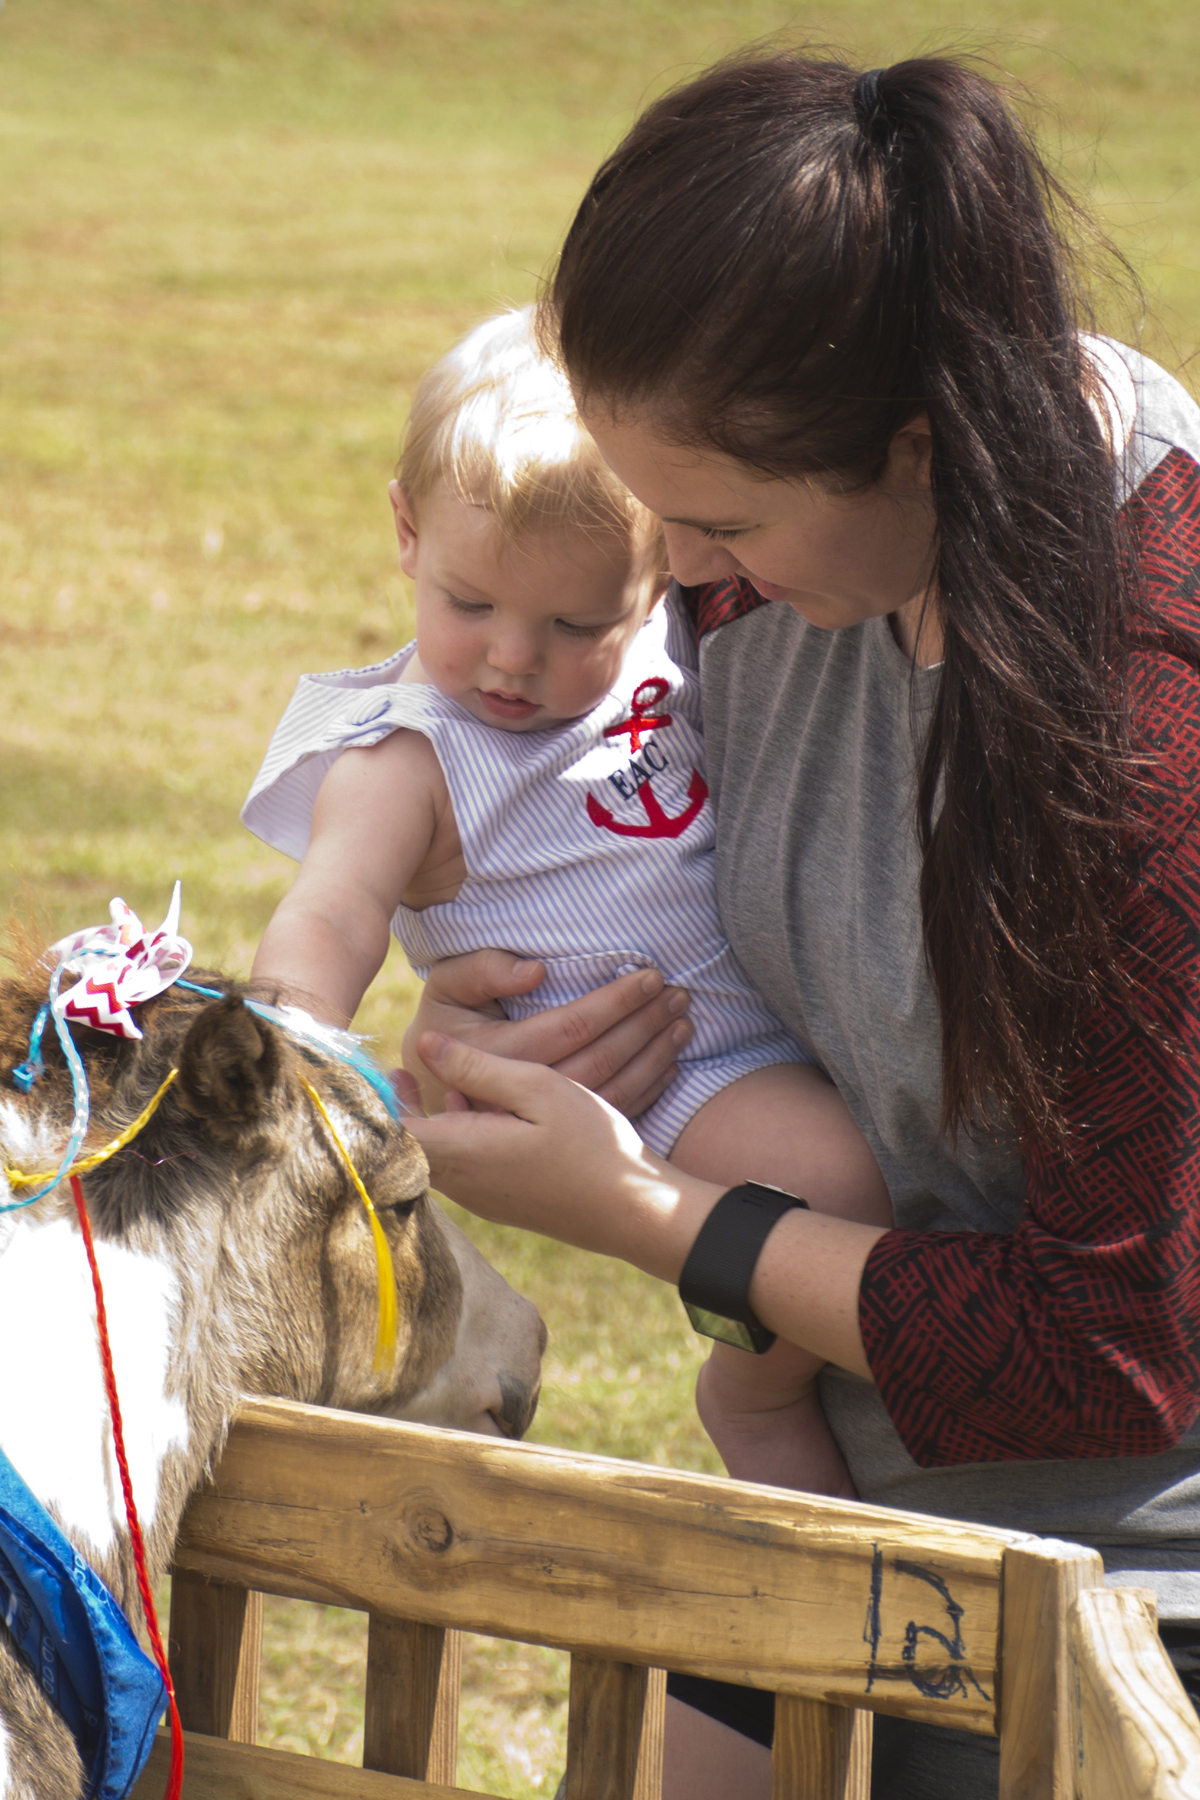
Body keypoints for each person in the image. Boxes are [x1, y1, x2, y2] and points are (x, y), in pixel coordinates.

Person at [391, 51, 1200, 1800]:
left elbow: (1108, 1360)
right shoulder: (773, 563)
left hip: (1130, 1583)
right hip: (841, 1500)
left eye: (716, 518)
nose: (671, 577)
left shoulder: (1151, 728)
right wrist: (515, 998)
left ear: (920, 444)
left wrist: (647, 1210)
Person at [243, 306, 892, 1503]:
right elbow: (334, 913)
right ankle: (755, 1397)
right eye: (470, 603)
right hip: (673, 1063)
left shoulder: (669, 638)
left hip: (766, 1007)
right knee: (849, 1187)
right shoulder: (411, 759)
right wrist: (278, 1052)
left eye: (573, 625)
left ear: (663, 570)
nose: (511, 659)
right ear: (404, 532)